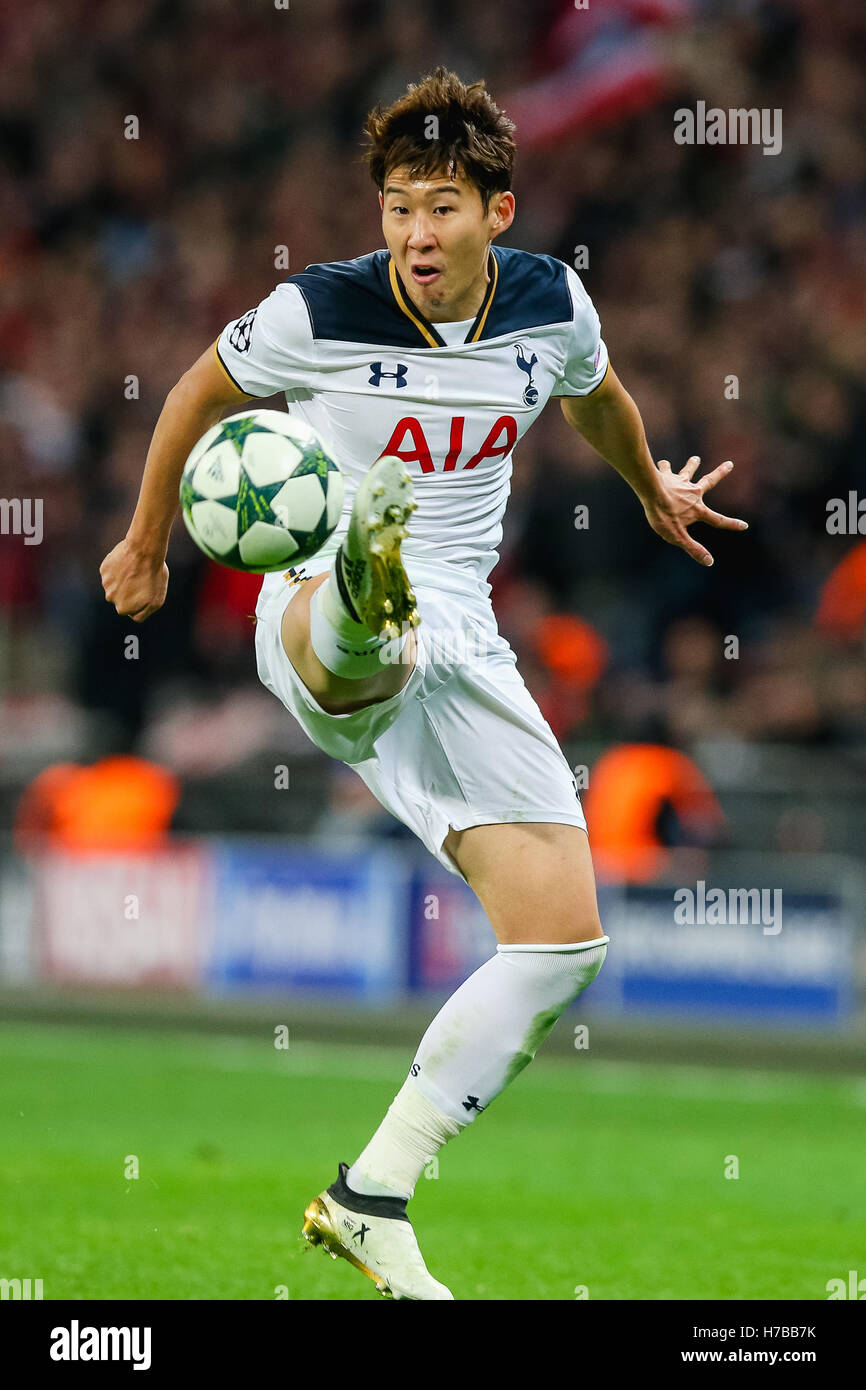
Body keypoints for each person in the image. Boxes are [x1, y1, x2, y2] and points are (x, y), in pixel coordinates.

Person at [100, 68, 747, 1300]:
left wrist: (647, 483)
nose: (413, 233)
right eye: (396, 205)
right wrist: (144, 542)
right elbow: (194, 391)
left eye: (439, 206)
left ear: (496, 213)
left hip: (467, 629)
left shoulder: (551, 300)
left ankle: (371, 1195)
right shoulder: (318, 310)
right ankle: (364, 580)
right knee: (369, 630)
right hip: (307, 610)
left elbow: (593, 392)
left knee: (561, 941)